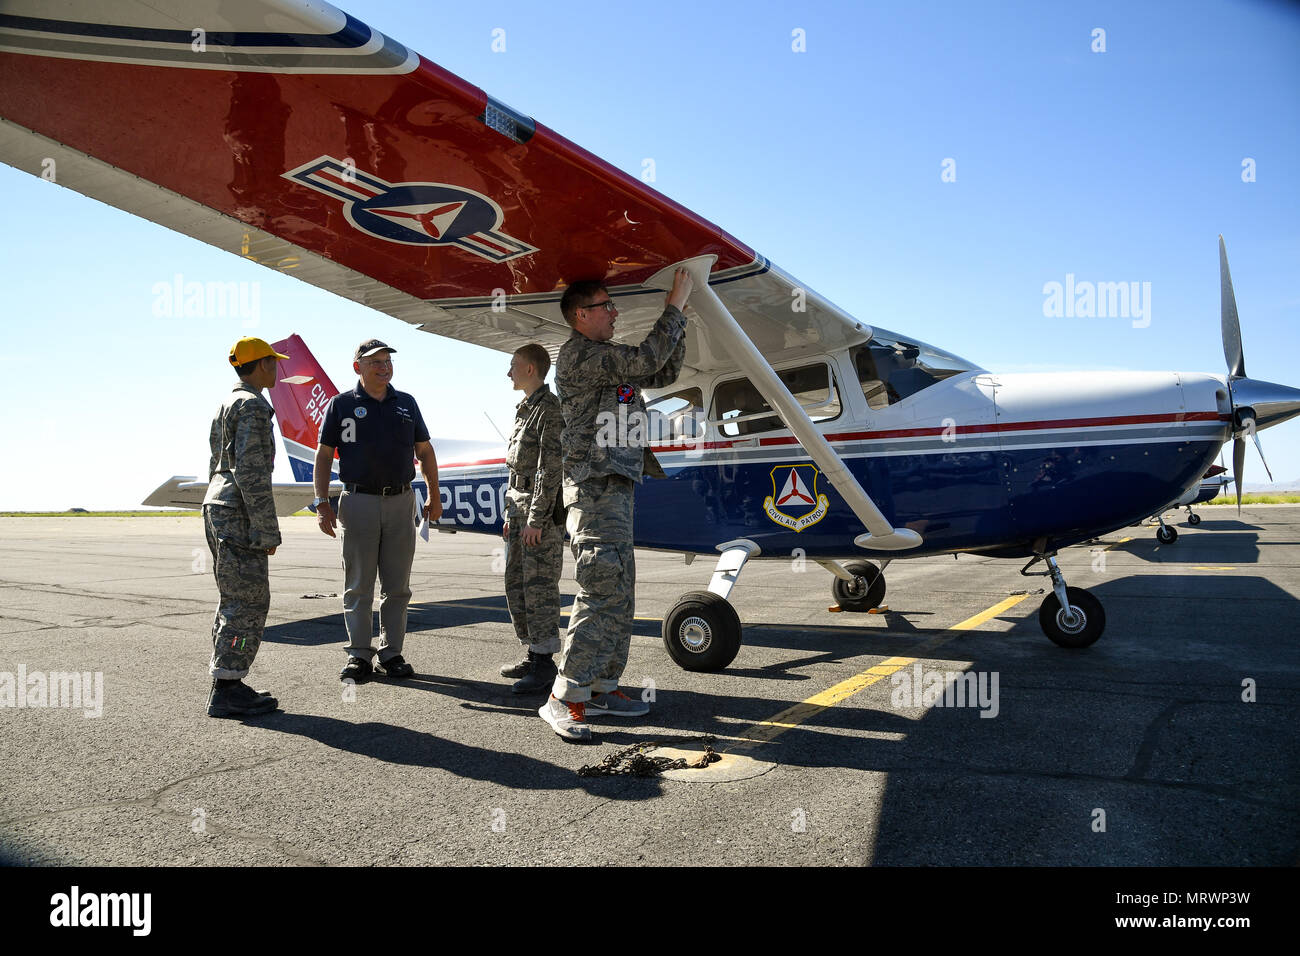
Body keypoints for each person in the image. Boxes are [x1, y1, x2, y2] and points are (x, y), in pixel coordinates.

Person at [540, 268, 694, 741]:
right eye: (607, 306)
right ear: (581, 315)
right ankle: (563, 697)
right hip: (592, 487)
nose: (615, 312)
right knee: (600, 587)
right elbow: (649, 354)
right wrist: (674, 305)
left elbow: (662, 367)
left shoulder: (609, 359)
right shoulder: (581, 355)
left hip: (618, 485)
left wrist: (681, 318)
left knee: (620, 590)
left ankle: (603, 687)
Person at [313, 339, 441, 682]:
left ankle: (392, 653)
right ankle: (358, 655)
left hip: (402, 502)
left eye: (387, 362)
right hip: (357, 502)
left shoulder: (407, 404)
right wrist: (322, 503)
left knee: (398, 586)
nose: (384, 367)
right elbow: (324, 456)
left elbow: (425, 452)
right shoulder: (340, 405)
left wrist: (434, 494)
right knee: (358, 584)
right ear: (358, 367)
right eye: (375, 363)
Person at [203, 337, 288, 718]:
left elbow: (216, 462)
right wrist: (266, 529)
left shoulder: (227, 402)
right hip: (237, 510)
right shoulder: (253, 406)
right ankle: (228, 689)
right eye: (273, 361)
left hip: (217, 504)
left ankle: (228, 679)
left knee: (232, 597)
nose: (277, 368)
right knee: (249, 601)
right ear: (259, 364)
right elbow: (252, 472)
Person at [500, 343, 565, 694]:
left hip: (537, 515)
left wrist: (537, 519)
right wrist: (512, 515)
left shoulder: (549, 410)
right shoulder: (525, 409)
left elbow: (549, 469)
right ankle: (533, 652)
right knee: (517, 588)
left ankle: (544, 665)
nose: (508, 372)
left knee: (539, 588)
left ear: (530, 369)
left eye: (513, 365)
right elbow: (517, 469)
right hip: (519, 510)